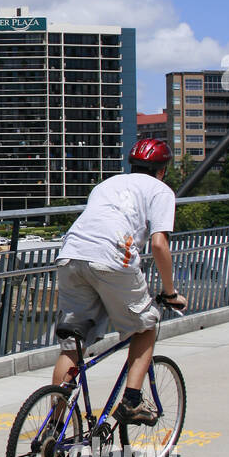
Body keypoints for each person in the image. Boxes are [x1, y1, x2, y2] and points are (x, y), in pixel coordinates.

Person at [51, 137, 187, 425]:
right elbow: (159, 244)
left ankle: (54, 426)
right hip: (112, 256)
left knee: (72, 344)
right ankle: (132, 402)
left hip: (70, 253)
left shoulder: (106, 185)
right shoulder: (161, 190)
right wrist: (170, 292)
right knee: (145, 326)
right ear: (162, 170)